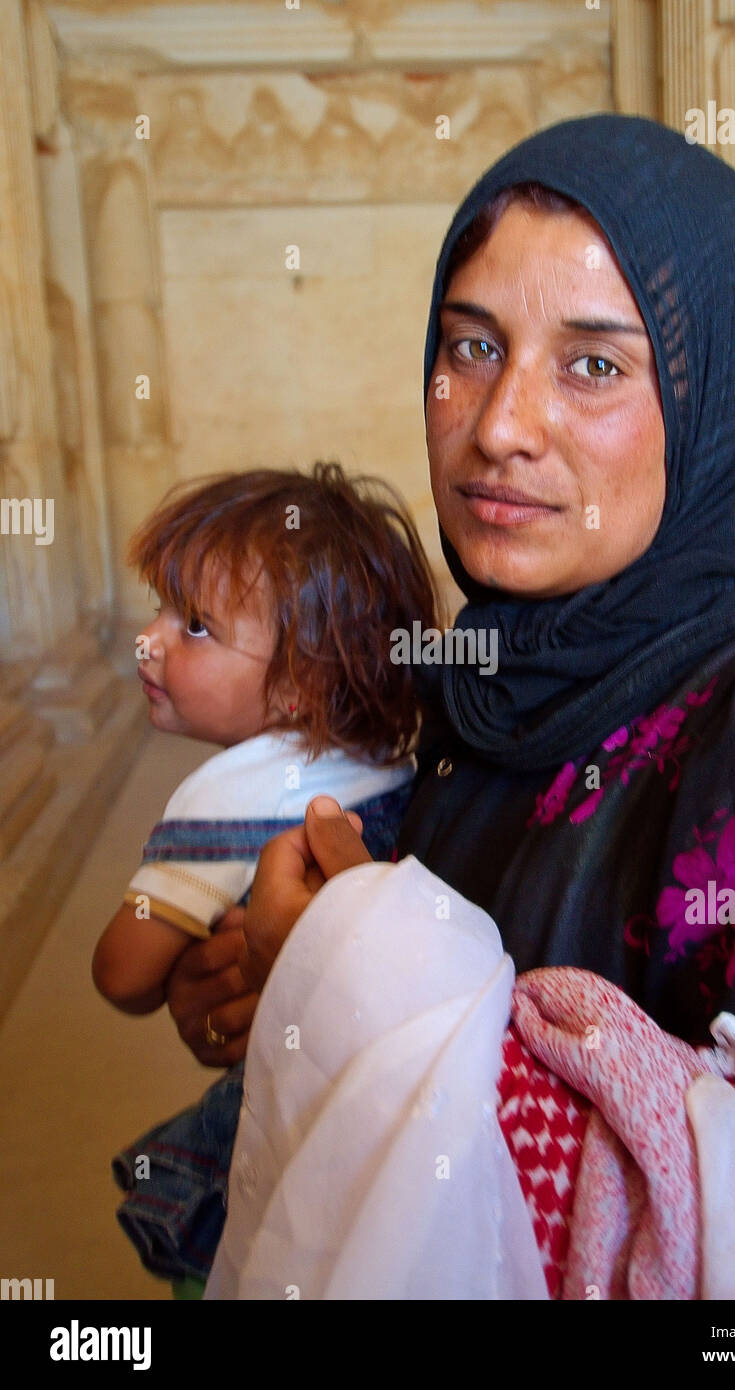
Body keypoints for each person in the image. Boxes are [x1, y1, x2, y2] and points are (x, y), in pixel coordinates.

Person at [166, 114, 735, 1265]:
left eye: (593, 364)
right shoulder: (485, 687)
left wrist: (365, 981)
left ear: (711, 410)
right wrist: (287, 991)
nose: (499, 427)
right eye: (470, 347)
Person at [92, 462, 439, 1287]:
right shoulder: (377, 762)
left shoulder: (227, 799)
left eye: (196, 627)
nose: (152, 638)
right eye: (162, 608)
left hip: (262, 1161)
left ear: (295, 686)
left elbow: (122, 974)